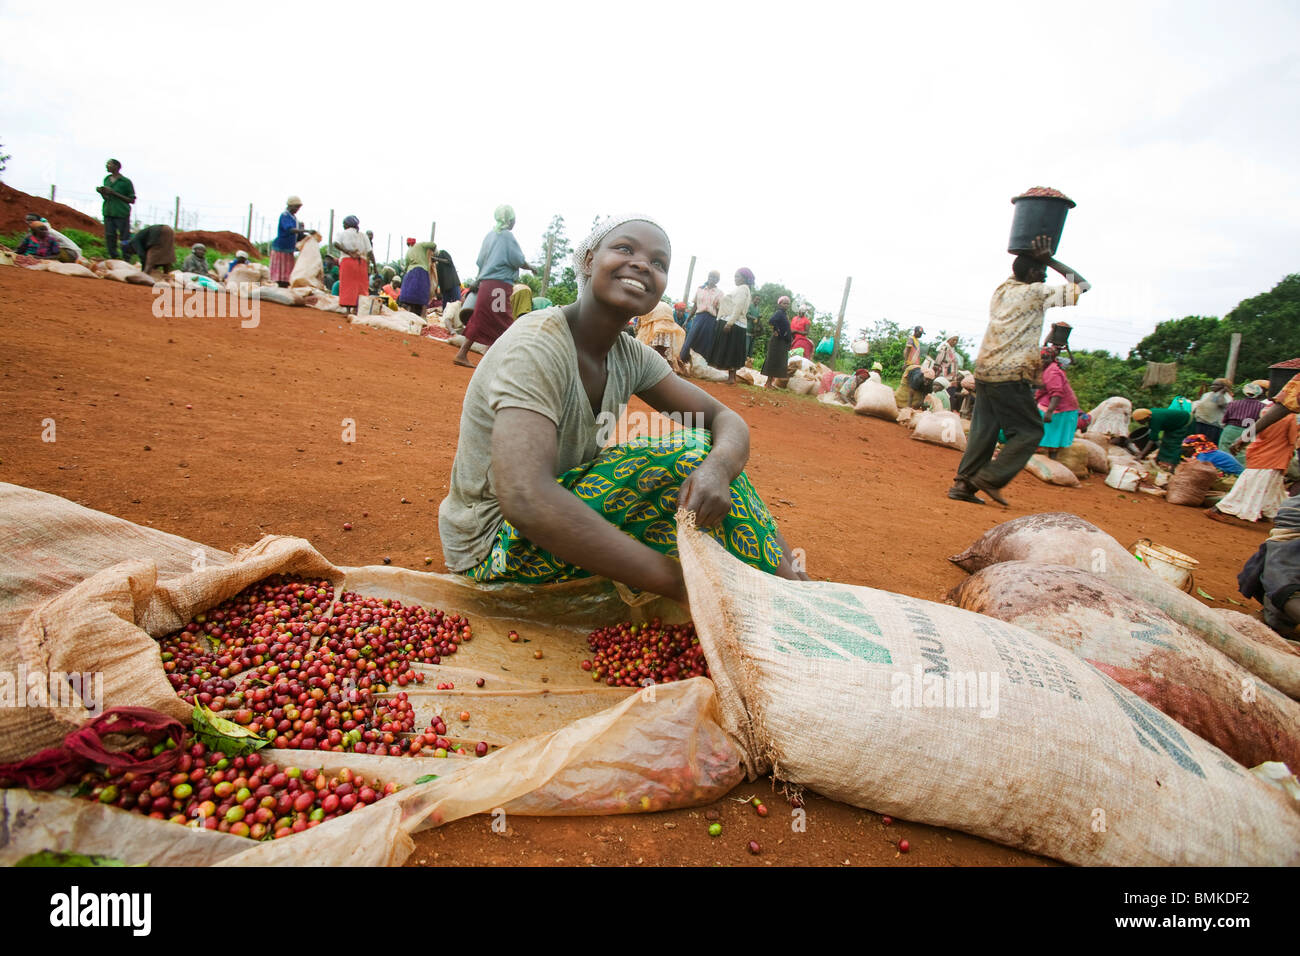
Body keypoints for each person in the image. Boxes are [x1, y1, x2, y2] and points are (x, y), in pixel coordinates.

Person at [437, 214, 809, 605]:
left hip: (555, 522)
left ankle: (797, 592)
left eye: (659, 263)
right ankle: (787, 604)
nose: (643, 265)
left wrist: (717, 469)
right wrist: (681, 584)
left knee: (708, 465)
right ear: (588, 260)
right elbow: (525, 498)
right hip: (492, 547)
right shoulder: (539, 343)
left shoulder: (630, 354)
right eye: (625, 249)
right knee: (686, 458)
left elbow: (724, 420)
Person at [949, 234, 1089, 506]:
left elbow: (1018, 271)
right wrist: (1051, 258)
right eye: (1042, 271)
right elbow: (1082, 285)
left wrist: (1033, 260)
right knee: (1030, 432)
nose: (1046, 276)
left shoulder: (1002, 291)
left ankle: (962, 485)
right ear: (1032, 273)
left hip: (986, 370)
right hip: (1011, 373)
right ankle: (990, 479)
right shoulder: (1036, 293)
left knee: (984, 431)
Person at [454, 204, 539, 367]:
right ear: (510, 220)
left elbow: (480, 261)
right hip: (499, 286)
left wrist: (479, 279)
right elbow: (518, 260)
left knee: (483, 319)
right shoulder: (507, 236)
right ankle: (498, 363)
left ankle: (467, 355)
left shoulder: (490, 236)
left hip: (486, 284)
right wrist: (531, 267)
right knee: (503, 322)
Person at [1209, 402, 1298, 524]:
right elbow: (1292, 438)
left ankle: (1270, 513)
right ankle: (1218, 509)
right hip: (1274, 457)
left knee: (1268, 486)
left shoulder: (1267, 411)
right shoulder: (1290, 418)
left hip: (1260, 453)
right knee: (1255, 486)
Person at [1238, 495, 1300, 637]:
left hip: (1277, 590)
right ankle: (1275, 618)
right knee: (1285, 591)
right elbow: (1284, 590)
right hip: (1283, 594)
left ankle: (1275, 617)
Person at [706, 268, 756, 385]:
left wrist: (730, 323)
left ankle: (731, 379)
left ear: (744, 279)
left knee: (731, 351)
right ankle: (731, 378)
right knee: (731, 350)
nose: (735, 279)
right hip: (734, 323)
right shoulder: (741, 289)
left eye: (737, 276)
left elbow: (738, 307)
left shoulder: (743, 289)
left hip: (734, 323)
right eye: (735, 276)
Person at [1035, 345, 1080, 459]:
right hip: (1052, 402)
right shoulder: (1047, 368)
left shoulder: (1052, 372)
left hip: (1060, 407)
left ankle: (1048, 455)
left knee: (1051, 432)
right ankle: (1048, 454)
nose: (1042, 361)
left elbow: (1057, 393)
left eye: (1045, 358)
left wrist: (1049, 412)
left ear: (1052, 359)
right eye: (1041, 358)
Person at [679, 270, 724, 364]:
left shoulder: (719, 293)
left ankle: (699, 365)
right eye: (711, 276)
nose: (712, 279)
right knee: (691, 339)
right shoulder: (700, 289)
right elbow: (695, 306)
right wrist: (687, 320)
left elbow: (720, 310)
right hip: (699, 317)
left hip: (711, 320)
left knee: (705, 342)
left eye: (715, 278)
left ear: (718, 280)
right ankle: (683, 361)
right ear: (708, 277)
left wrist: (717, 324)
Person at [1220, 382, 1267, 465]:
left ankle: (1222, 472)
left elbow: (1224, 419)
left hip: (1231, 429)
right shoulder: (1262, 407)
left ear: (1245, 392)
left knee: (1224, 451)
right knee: (1243, 453)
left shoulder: (1233, 403)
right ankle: (1239, 474)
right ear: (1259, 394)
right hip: (1250, 431)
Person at [97, 158, 135, 259]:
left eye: (109, 164)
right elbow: (107, 197)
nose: (107, 166)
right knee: (110, 236)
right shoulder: (106, 179)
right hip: (108, 212)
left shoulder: (125, 182)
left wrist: (113, 193)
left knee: (124, 237)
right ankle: (113, 257)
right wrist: (102, 192)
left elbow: (132, 200)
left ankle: (126, 258)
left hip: (121, 213)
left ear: (117, 167)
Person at [333, 216, 372, 313]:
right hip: (361, 262)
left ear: (346, 224)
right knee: (360, 286)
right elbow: (370, 251)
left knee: (347, 285)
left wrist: (348, 252)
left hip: (347, 261)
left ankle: (347, 310)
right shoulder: (363, 235)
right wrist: (371, 265)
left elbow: (336, 243)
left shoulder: (342, 233)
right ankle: (357, 309)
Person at [271, 196, 309, 288]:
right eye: (296, 207)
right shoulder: (285, 215)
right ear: (290, 206)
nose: (297, 210)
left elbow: (297, 235)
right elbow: (290, 230)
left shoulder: (294, 218)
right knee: (282, 271)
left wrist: (308, 237)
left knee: (287, 271)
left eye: (298, 208)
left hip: (289, 248)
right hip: (281, 248)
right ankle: (281, 286)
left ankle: (284, 286)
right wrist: (305, 231)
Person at [401, 237, 439, 317]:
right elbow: (433, 245)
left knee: (410, 299)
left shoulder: (408, 252)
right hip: (421, 272)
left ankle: (410, 316)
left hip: (410, 274)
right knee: (421, 298)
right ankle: (420, 317)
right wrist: (434, 253)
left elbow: (406, 266)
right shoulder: (421, 245)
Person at [761, 296, 794, 387]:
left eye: (787, 303)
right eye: (784, 303)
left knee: (778, 361)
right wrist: (775, 331)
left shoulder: (784, 314)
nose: (786, 305)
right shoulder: (779, 313)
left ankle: (770, 383)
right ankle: (768, 383)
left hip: (782, 342)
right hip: (777, 342)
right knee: (773, 361)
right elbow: (771, 321)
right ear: (779, 304)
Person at [1190, 378, 1233, 445]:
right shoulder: (1207, 395)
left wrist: (1221, 392)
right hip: (1201, 422)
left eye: (1216, 385)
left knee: (1208, 445)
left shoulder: (1227, 397)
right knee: (1197, 444)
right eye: (1212, 384)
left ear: (1224, 387)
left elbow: (1220, 403)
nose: (1212, 386)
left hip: (1213, 426)